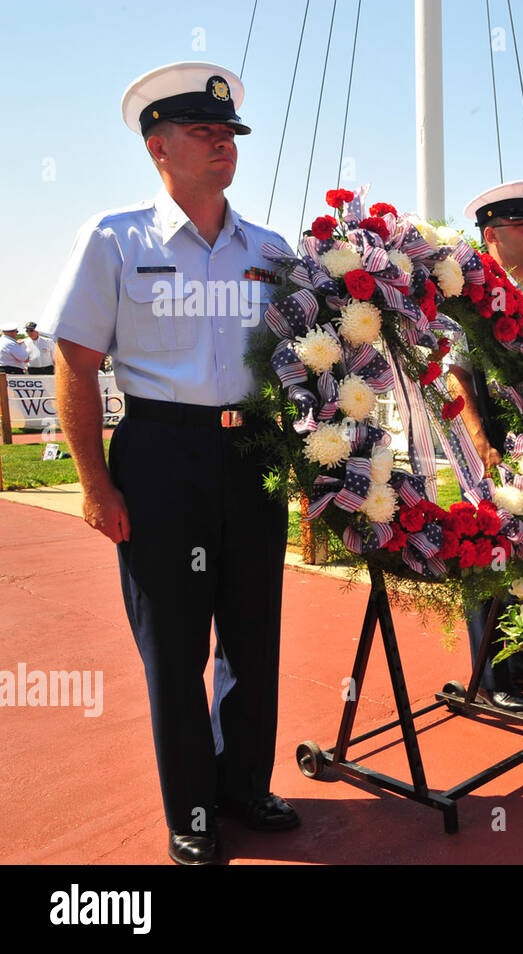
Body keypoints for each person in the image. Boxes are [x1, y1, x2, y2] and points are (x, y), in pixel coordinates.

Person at [43, 62, 297, 866]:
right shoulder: (116, 239)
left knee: (254, 633)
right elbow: (75, 361)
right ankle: (190, 807)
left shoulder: (271, 250)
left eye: (228, 134)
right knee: (176, 644)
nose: (223, 144)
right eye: (203, 132)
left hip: (253, 450)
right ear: (158, 146)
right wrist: (93, 483)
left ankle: (244, 785)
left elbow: (302, 360)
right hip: (161, 454)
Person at [455, 178, 523, 716]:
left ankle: (521, 663)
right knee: (489, 555)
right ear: (491, 233)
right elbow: (456, 372)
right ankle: (487, 676)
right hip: (493, 443)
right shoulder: (469, 293)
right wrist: (478, 439)